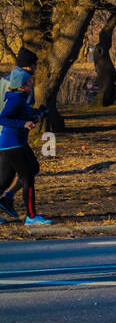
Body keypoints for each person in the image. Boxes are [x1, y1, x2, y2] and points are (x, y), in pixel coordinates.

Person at [0, 60, 51, 226]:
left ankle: (7, 199)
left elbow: (26, 114)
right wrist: (23, 124)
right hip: (13, 143)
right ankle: (31, 216)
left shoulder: (20, 99)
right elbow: (3, 117)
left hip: (15, 143)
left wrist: (38, 115)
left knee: (6, 180)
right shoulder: (15, 100)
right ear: (22, 86)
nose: (32, 83)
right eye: (29, 82)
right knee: (27, 175)